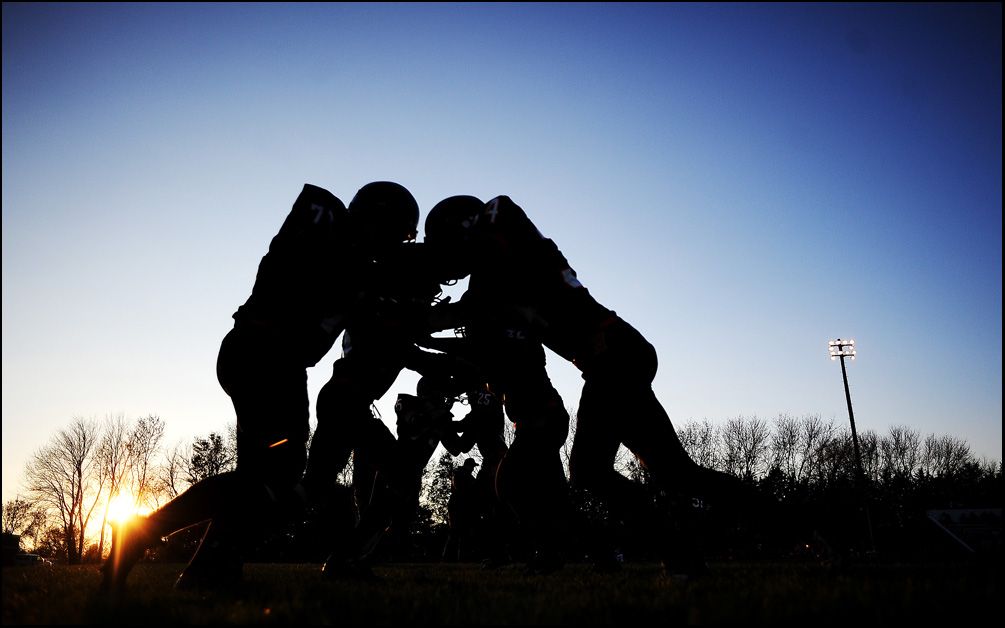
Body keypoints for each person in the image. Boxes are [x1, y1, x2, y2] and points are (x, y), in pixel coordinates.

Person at [422, 194, 748, 579]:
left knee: (594, 472)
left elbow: (494, 229)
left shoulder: (503, 235)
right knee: (673, 473)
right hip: (608, 359)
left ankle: (680, 554)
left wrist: (407, 322)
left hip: (613, 353)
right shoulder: (496, 273)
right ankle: (789, 534)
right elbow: (469, 319)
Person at [100, 182, 399, 592]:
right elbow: (321, 244)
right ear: (379, 223)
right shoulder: (329, 230)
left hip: (257, 353)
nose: (396, 245)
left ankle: (209, 568)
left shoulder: (352, 257)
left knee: (256, 480)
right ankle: (146, 533)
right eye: (397, 234)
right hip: (269, 355)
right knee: (277, 479)